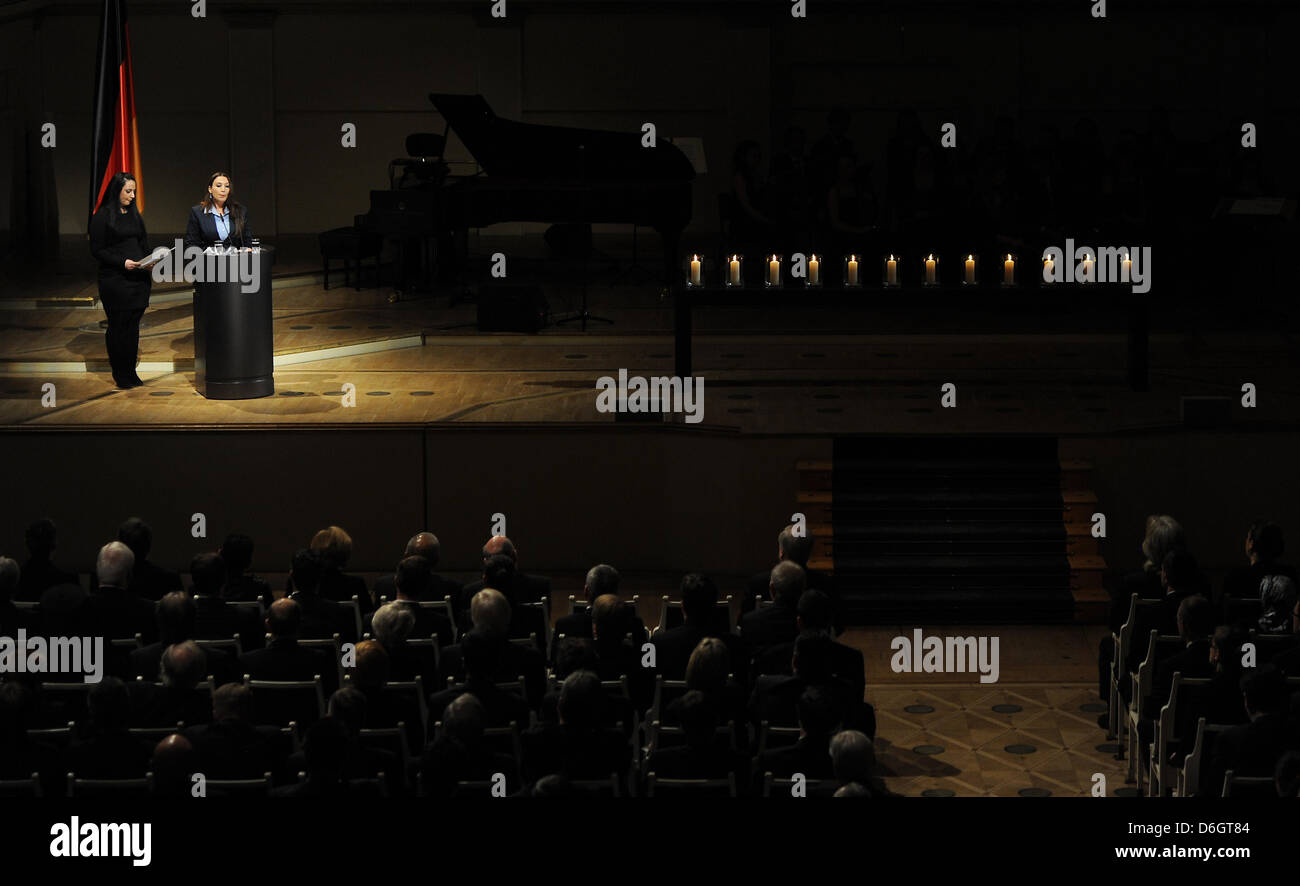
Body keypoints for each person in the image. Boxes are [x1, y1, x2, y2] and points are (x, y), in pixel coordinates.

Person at [88, 171, 153, 389]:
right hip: (116, 281)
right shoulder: (102, 216)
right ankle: (120, 373)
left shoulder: (134, 215)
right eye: (128, 191)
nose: (133, 195)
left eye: (134, 191)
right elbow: (97, 250)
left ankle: (130, 371)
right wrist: (122, 262)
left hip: (138, 281)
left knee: (133, 328)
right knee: (118, 327)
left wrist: (150, 260)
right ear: (117, 191)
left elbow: (143, 243)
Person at [184, 171, 254, 249]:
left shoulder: (240, 211)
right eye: (219, 186)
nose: (223, 189)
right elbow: (191, 244)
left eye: (227, 186)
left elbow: (248, 242)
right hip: (207, 260)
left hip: (235, 260)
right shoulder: (197, 212)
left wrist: (246, 250)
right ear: (210, 189)